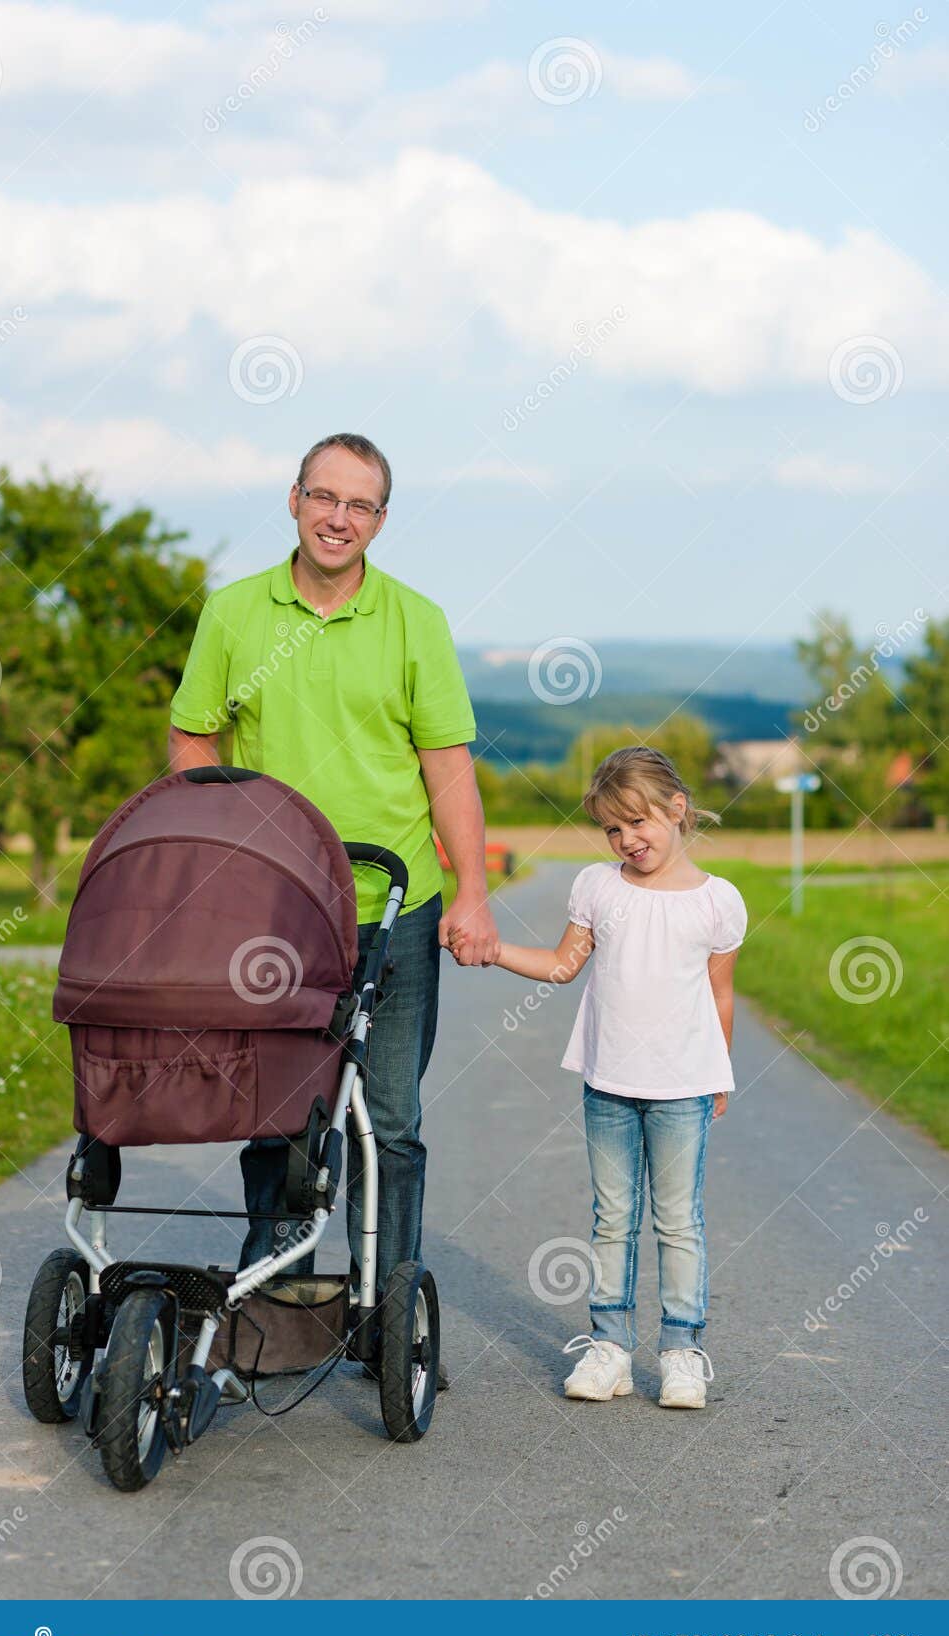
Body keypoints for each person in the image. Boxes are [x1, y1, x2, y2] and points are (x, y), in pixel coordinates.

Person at [167, 433, 499, 1361]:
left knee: (387, 1119)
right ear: (293, 500)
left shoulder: (414, 620)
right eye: (324, 497)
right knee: (276, 1108)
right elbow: (193, 739)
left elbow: (448, 769)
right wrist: (216, 850)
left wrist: (471, 893)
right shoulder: (233, 615)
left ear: (381, 521)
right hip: (274, 908)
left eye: (359, 505)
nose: (338, 518)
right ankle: (271, 1287)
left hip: (396, 904)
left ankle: (385, 1312)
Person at [480, 745, 746, 1410]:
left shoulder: (717, 902)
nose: (627, 839)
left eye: (638, 822)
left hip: (683, 1087)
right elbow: (562, 966)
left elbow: (720, 995)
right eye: (612, 828)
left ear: (677, 810)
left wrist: (720, 1072)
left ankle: (682, 1353)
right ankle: (610, 1350)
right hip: (607, 1083)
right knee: (611, 1220)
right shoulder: (597, 888)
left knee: (679, 1222)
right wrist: (493, 951)